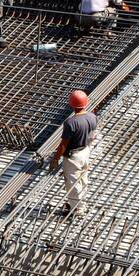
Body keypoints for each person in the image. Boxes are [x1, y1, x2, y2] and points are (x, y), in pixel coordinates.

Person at [48, 89, 99, 220]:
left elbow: (64, 144)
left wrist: (55, 159)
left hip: (73, 156)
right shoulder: (93, 117)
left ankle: (78, 210)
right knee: (83, 178)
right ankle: (81, 204)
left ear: (72, 105)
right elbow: (92, 136)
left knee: (73, 183)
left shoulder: (71, 122)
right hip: (85, 151)